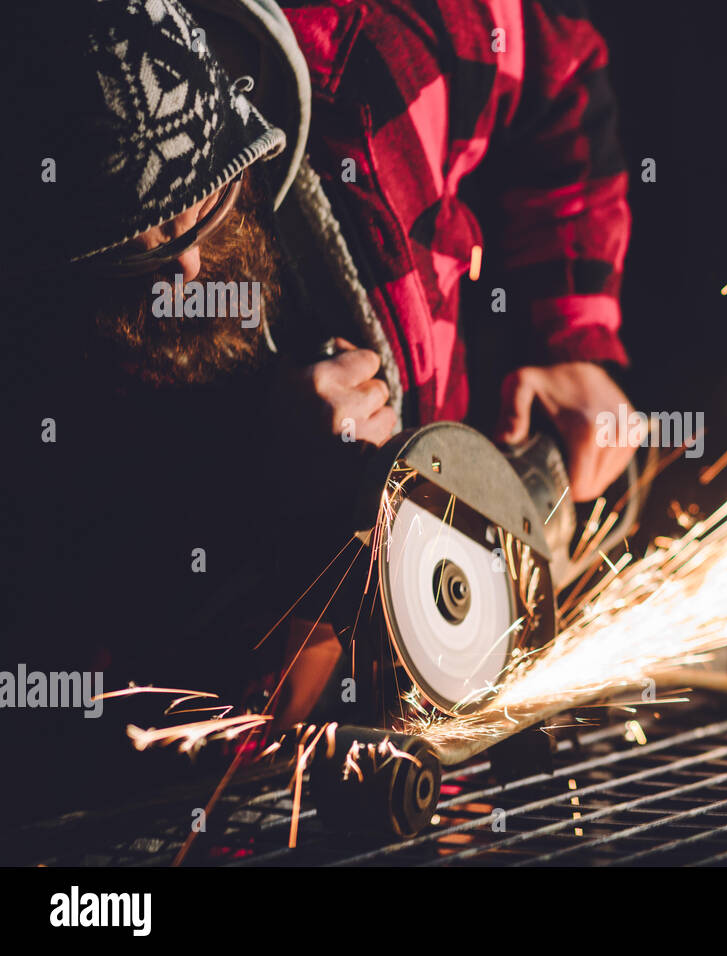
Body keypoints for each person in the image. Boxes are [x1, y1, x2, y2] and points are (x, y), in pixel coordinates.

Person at [0, 0, 635, 822]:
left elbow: (561, 78)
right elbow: (78, 671)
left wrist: (571, 334)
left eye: (206, 202)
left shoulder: (377, 45)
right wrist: (254, 497)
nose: (185, 263)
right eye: (128, 255)